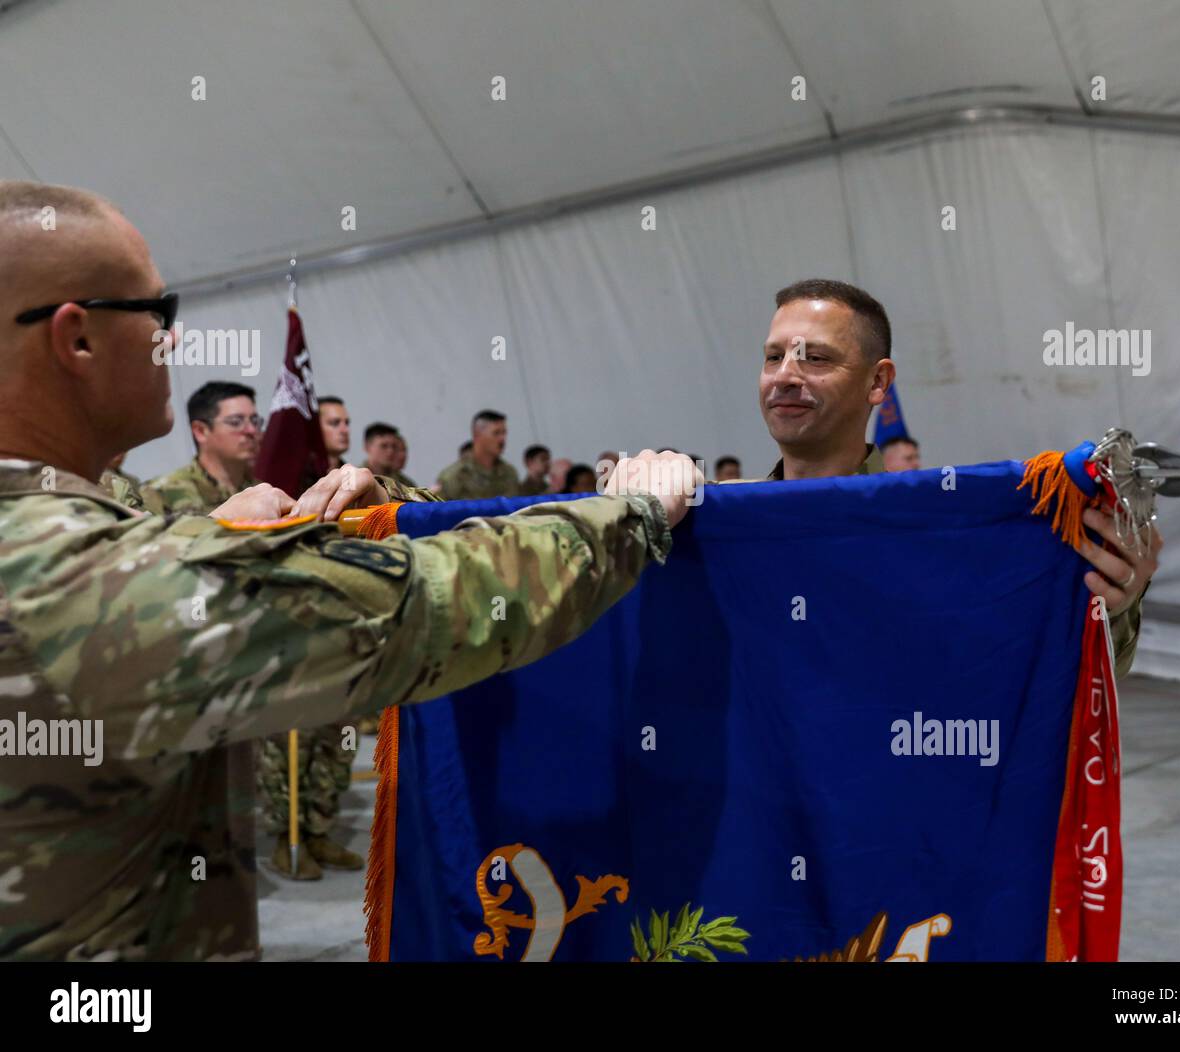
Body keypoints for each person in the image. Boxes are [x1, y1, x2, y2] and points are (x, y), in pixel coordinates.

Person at [0, 179, 699, 960]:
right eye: (157, 315)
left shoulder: (81, 548)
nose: (172, 341)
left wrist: (200, 538)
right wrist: (631, 513)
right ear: (77, 340)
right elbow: (443, 601)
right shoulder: (102, 578)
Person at [758, 278, 1159, 675]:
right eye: (774, 357)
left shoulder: (946, 534)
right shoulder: (715, 522)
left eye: (816, 358)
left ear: (878, 381)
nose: (785, 376)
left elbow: (1029, 667)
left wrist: (1110, 610)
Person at [140, 381, 261, 515]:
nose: (251, 430)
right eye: (236, 422)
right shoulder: (162, 493)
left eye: (255, 421)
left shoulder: (261, 491)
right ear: (201, 431)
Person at [435, 410, 522, 500]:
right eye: (496, 433)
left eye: (504, 433)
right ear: (477, 435)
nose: (502, 439)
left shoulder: (510, 473)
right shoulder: (453, 477)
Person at [318, 395, 350, 470]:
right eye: (334, 423)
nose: (345, 430)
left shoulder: (352, 474)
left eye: (347, 423)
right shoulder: (296, 475)